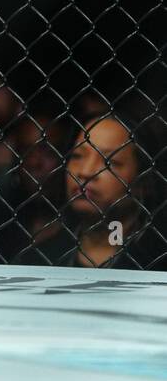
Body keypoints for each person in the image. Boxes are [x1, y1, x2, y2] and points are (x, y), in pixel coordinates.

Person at [15, 112, 167, 270]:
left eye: (109, 161)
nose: (86, 172)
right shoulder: (39, 259)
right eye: (78, 156)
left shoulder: (158, 258)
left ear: (143, 181)